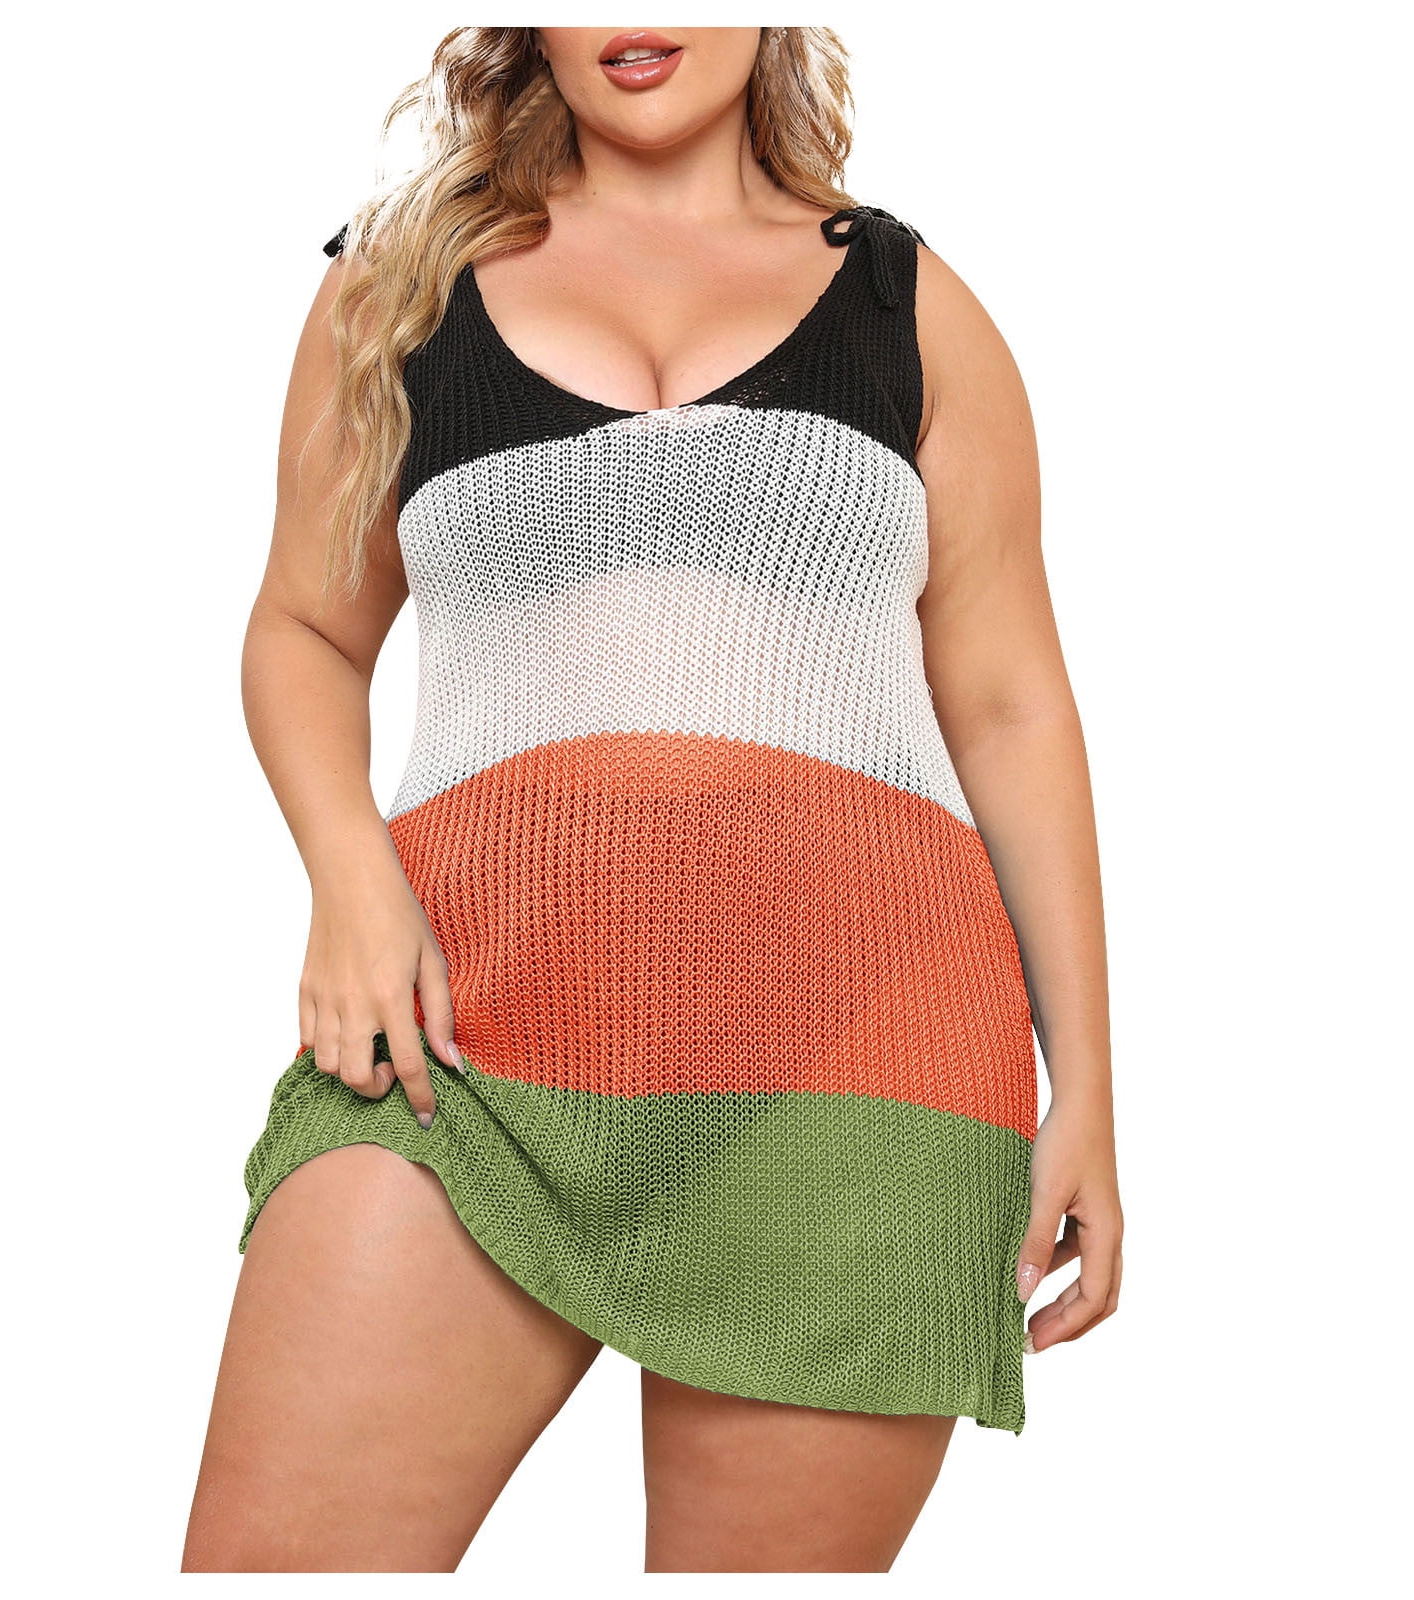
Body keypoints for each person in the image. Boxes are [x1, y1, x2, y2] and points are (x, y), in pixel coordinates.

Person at [182, 24, 1123, 1575]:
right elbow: (303, 628)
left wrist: (1085, 1082)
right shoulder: (402, 283)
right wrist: (349, 878)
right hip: (462, 1041)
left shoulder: (913, 307)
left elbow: (1014, 705)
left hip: (859, 1064)